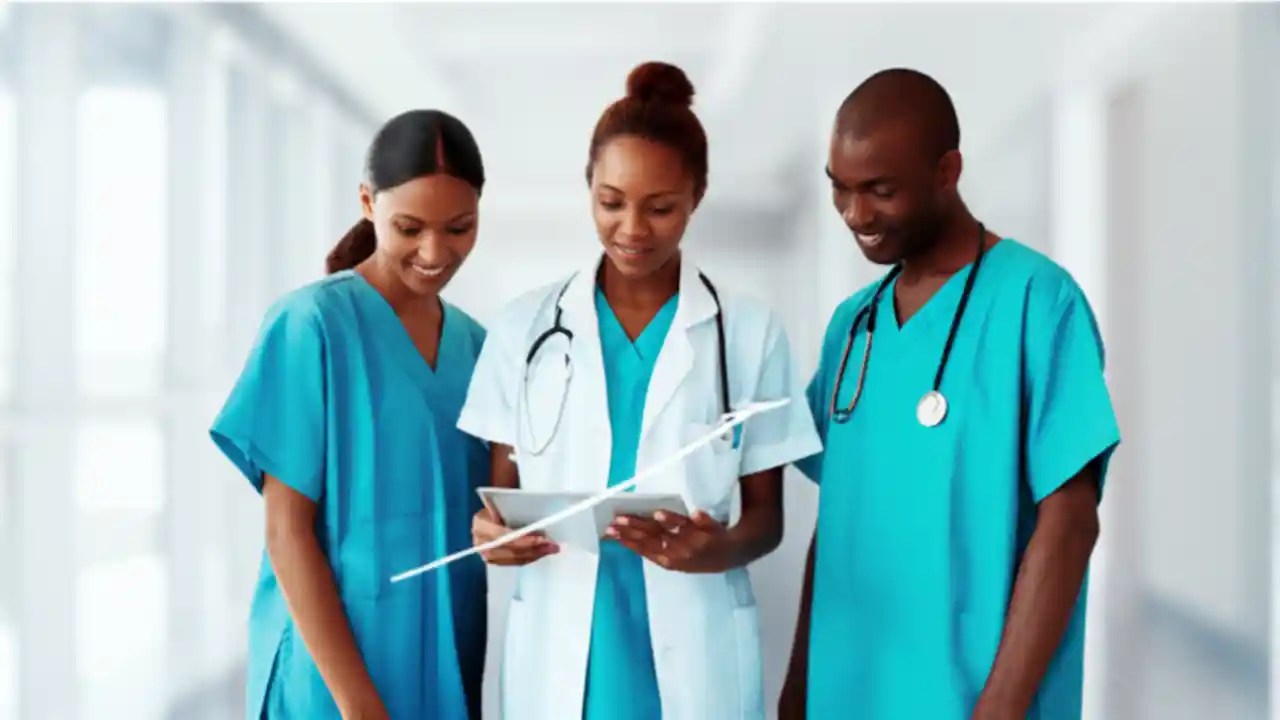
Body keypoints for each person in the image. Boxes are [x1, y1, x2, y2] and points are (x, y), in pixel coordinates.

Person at [457, 61, 821, 720]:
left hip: (694, 657)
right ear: (588, 187)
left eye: (661, 208)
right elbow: (501, 501)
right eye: (611, 202)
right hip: (561, 655)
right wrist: (490, 537)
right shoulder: (523, 329)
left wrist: (719, 548)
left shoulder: (749, 332)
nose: (632, 229)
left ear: (696, 197)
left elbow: (767, 520)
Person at [779, 68, 1121, 720]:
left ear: (947, 171)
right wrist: (800, 685)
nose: (856, 215)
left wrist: (1002, 707)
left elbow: (1071, 521)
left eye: (880, 190)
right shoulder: (853, 327)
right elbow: (840, 517)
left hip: (973, 698)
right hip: (847, 693)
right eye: (841, 190)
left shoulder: (1037, 300)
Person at [209, 109, 490, 720]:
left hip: (443, 656)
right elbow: (286, 532)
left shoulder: (478, 347)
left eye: (459, 227)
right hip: (334, 673)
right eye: (409, 227)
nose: (435, 252)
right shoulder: (312, 325)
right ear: (367, 202)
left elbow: (490, 510)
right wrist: (356, 701)